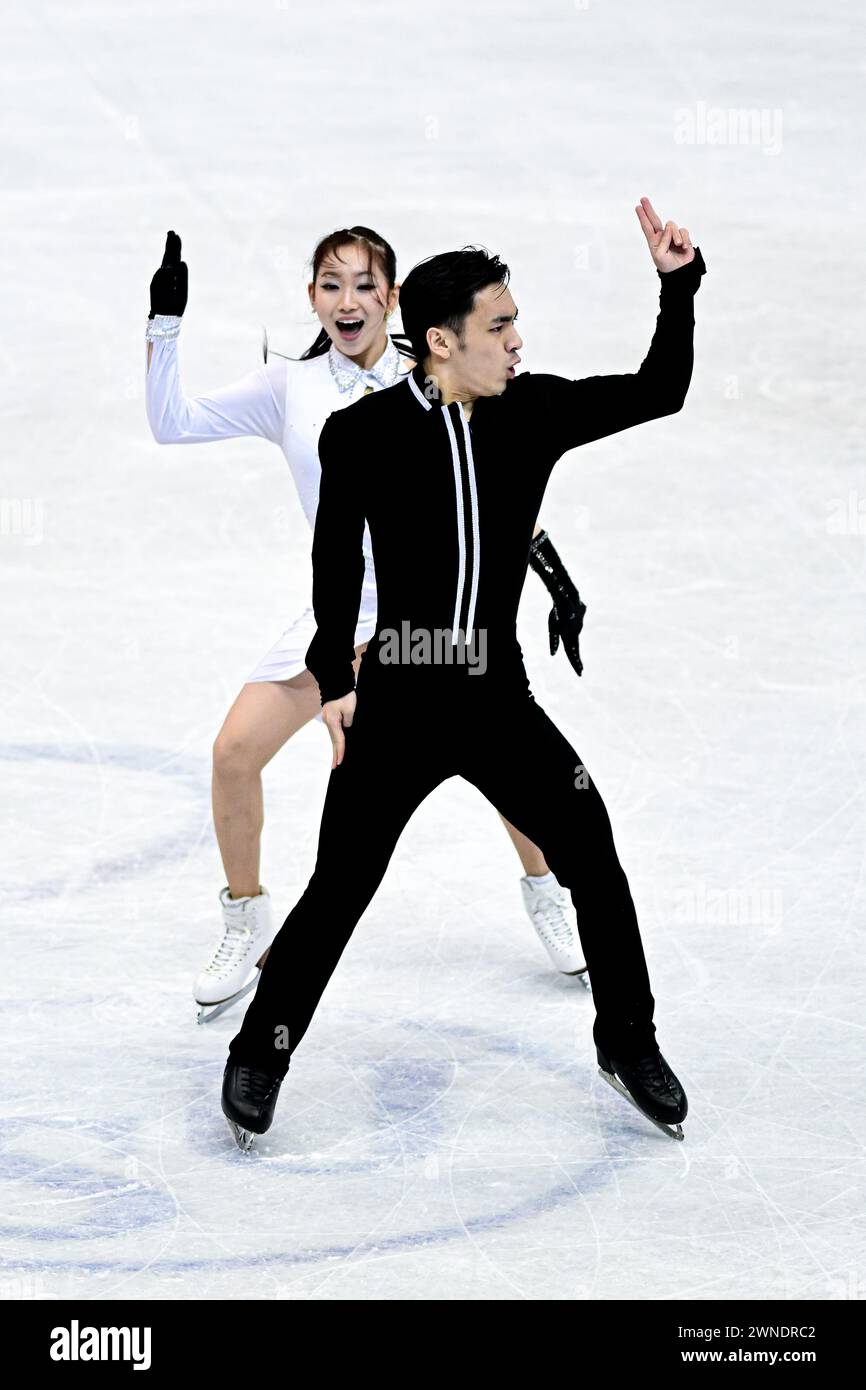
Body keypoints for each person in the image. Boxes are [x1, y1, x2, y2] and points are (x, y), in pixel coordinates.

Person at [221, 196, 706, 1149]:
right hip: (398, 698)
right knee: (341, 886)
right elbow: (332, 576)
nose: (519, 339)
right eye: (501, 324)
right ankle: (262, 1049)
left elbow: (662, 389)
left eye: (516, 320)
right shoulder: (360, 438)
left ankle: (629, 1040)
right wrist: (337, 680)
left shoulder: (537, 412)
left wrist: (677, 285)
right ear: (441, 341)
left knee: (595, 859)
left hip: (496, 699)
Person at [144, 225, 591, 1023]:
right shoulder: (292, 388)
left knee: (497, 749)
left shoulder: (442, 372)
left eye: (363, 284)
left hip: (437, 611)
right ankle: (247, 918)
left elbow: (489, 491)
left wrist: (550, 573)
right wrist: (165, 324)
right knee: (233, 753)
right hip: (342, 612)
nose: (346, 301)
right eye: (329, 285)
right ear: (312, 298)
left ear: (393, 298)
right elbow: (172, 421)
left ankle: (544, 887)